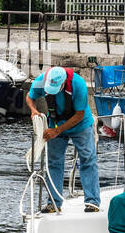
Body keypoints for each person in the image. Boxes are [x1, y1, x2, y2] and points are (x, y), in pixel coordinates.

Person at [26, 65, 100, 214]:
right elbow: (30, 96)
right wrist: (34, 111)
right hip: (54, 123)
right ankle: (53, 202)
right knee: (54, 163)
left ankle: (92, 202)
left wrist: (57, 131)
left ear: (63, 82)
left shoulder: (78, 85)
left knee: (88, 159)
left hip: (80, 125)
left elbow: (79, 115)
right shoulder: (42, 80)